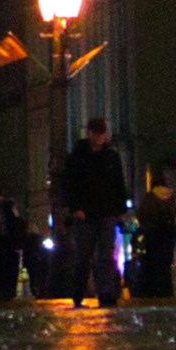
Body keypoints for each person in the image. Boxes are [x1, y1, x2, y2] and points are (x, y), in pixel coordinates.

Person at [52, 122, 128, 303]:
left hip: (106, 213)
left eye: (102, 133)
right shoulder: (78, 158)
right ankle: (79, 293)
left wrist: (120, 209)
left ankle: (106, 294)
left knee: (105, 257)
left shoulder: (111, 157)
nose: (100, 137)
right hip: (85, 214)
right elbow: (69, 185)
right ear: (90, 134)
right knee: (83, 257)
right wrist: (75, 208)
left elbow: (119, 184)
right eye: (97, 133)